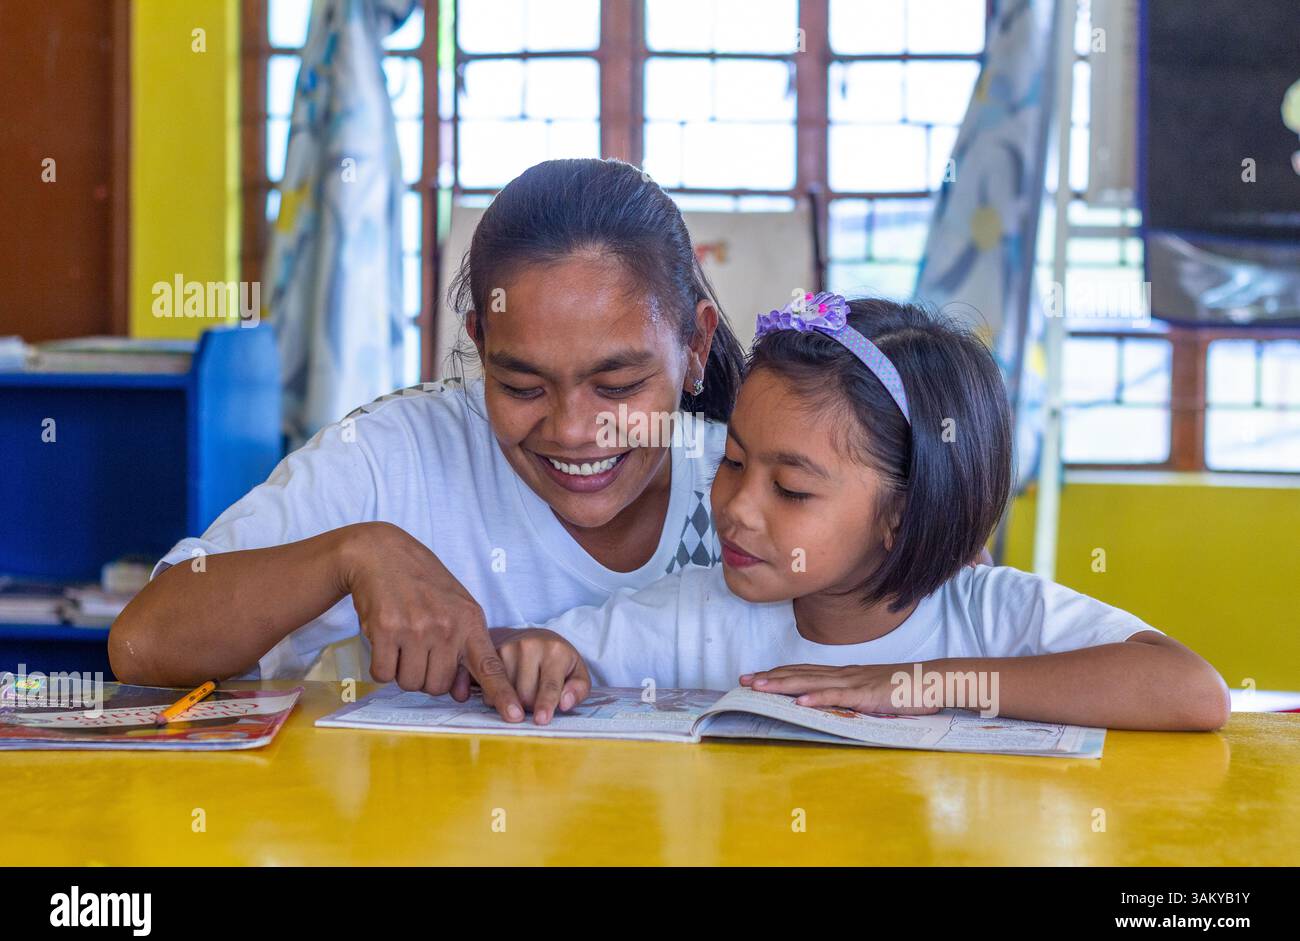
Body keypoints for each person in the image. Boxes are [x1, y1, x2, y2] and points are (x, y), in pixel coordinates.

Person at [109, 158, 745, 724]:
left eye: (617, 385)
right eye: (521, 386)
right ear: (480, 341)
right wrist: (351, 555)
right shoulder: (398, 455)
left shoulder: (753, 489)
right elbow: (142, 644)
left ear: (695, 346)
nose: (574, 431)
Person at [490, 296, 1232, 732]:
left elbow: (1192, 691)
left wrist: (924, 682)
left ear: (902, 518)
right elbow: (536, 661)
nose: (737, 509)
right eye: (735, 463)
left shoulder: (987, 615)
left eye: (793, 490)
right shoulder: (696, 613)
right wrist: (537, 659)